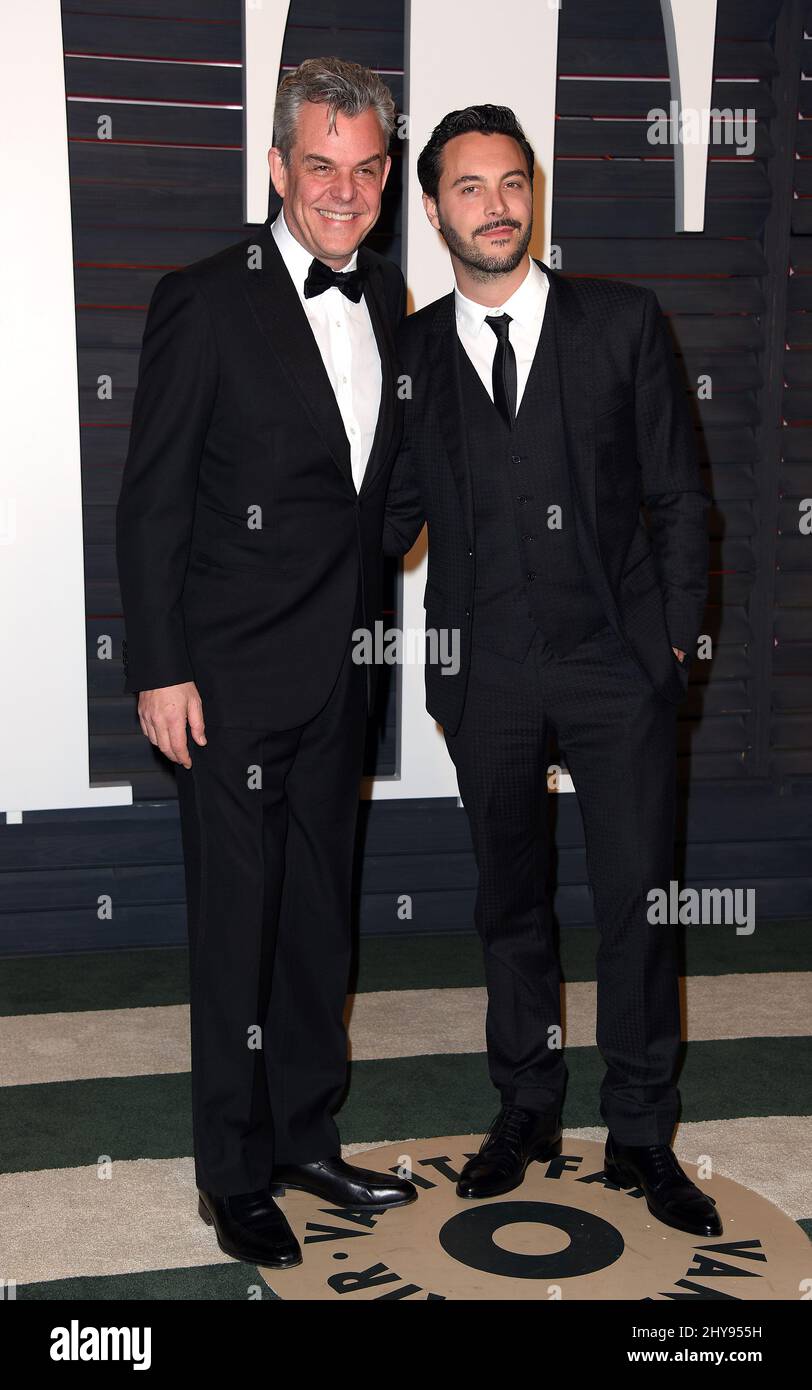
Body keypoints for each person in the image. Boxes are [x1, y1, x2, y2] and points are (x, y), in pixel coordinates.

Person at [383, 104, 720, 1237]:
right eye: (468, 187)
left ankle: (639, 1130)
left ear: (534, 192)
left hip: (614, 669)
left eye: (510, 182)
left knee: (635, 904)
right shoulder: (415, 352)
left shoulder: (620, 323)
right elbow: (384, 517)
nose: (495, 205)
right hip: (485, 676)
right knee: (509, 904)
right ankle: (524, 1105)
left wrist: (668, 641)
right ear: (432, 210)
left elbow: (679, 496)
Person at [116, 57, 416, 1272]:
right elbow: (151, 505)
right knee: (235, 928)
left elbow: (380, 489)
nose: (341, 191)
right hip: (227, 683)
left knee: (316, 925)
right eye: (319, 167)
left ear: (384, 177)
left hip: (342, 671)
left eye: (363, 168)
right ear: (279, 169)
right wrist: (161, 666)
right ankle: (231, 1171)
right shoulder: (203, 296)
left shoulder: (391, 299)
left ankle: (304, 1134)